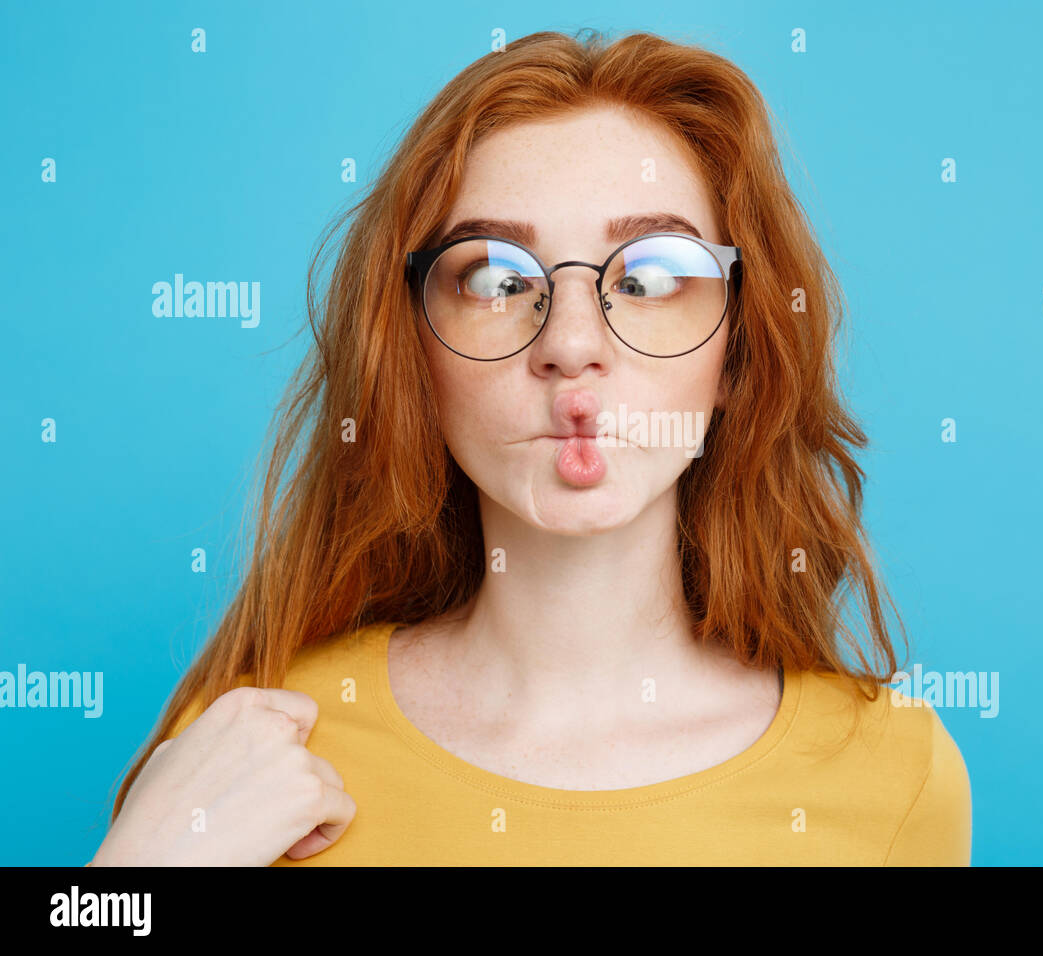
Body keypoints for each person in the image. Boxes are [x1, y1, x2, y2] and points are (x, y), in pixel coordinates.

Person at [89, 28, 971, 866]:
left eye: (655, 275)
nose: (573, 344)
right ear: (414, 357)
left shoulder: (893, 773)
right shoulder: (260, 748)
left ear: (738, 355)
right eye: (497, 278)